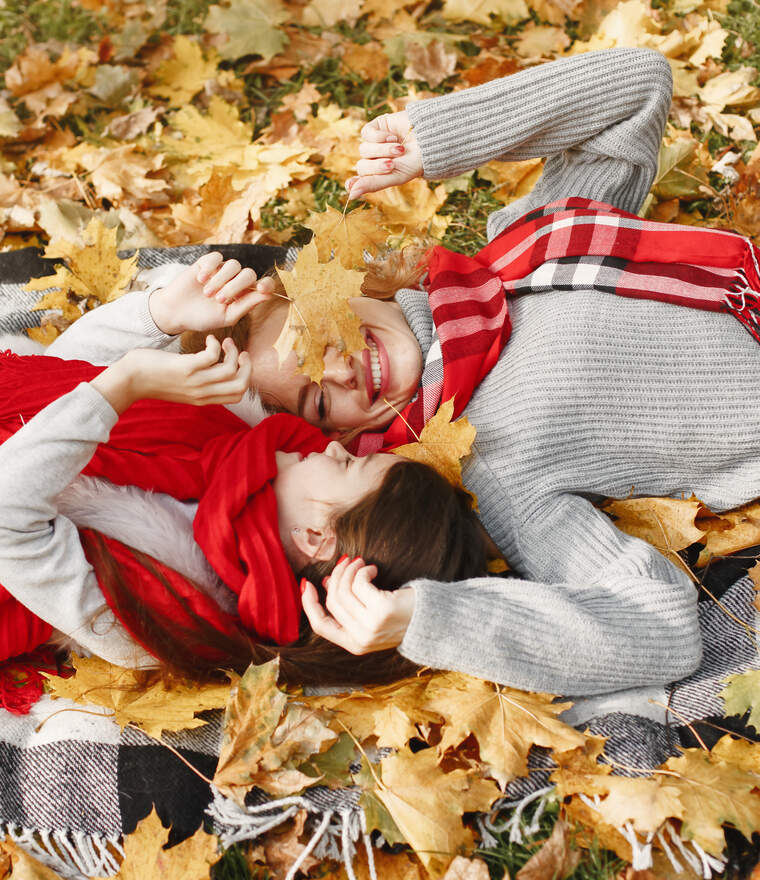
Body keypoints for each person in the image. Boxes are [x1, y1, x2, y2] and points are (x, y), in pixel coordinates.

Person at [36, 46, 756, 697]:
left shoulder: (515, 254)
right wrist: (428, 617)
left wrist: (437, 138)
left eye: (321, 335)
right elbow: (659, 623)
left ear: (339, 288)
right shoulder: (494, 463)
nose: (344, 370)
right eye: (319, 402)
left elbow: (635, 88)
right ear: (341, 441)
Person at [0, 338, 486, 689]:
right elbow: (73, 370)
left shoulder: (166, 609)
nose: (338, 449)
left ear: (316, 535)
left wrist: (121, 388)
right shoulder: (231, 453)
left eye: (353, 464)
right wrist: (161, 314)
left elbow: (9, 517)